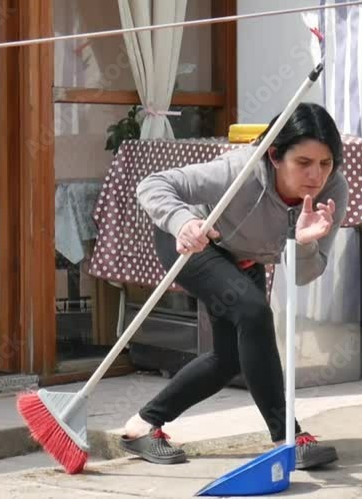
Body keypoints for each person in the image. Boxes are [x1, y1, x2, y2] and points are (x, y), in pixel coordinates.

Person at [121, 102, 348, 470]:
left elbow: (305, 274)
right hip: (194, 240)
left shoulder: (333, 191)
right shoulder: (240, 169)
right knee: (254, 313)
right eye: (303, 163)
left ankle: (142, 426)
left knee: (228, 359)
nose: (316, 175)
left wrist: (303, 243)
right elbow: (154, 184)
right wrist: (181, 222)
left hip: (244, 255)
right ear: (274, 156)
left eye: (325, 163)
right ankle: (285, 437)